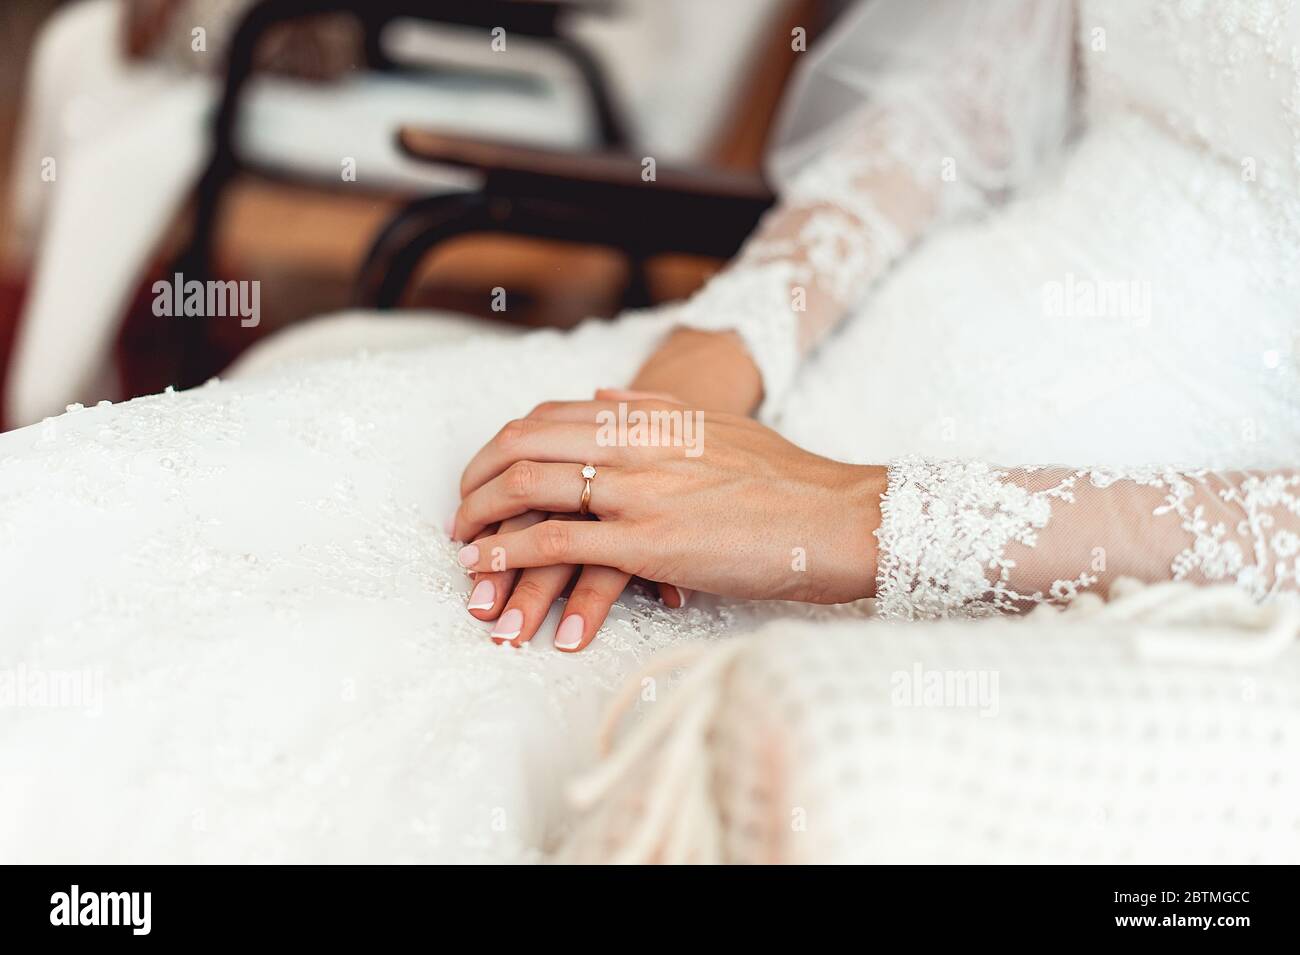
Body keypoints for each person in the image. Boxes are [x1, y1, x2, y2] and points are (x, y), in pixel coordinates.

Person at [1, 0, 1297, 862]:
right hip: (814, 377)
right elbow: (954, 112)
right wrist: (724, 346)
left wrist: (867, 517)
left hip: (1094, 552)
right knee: (105, 535)